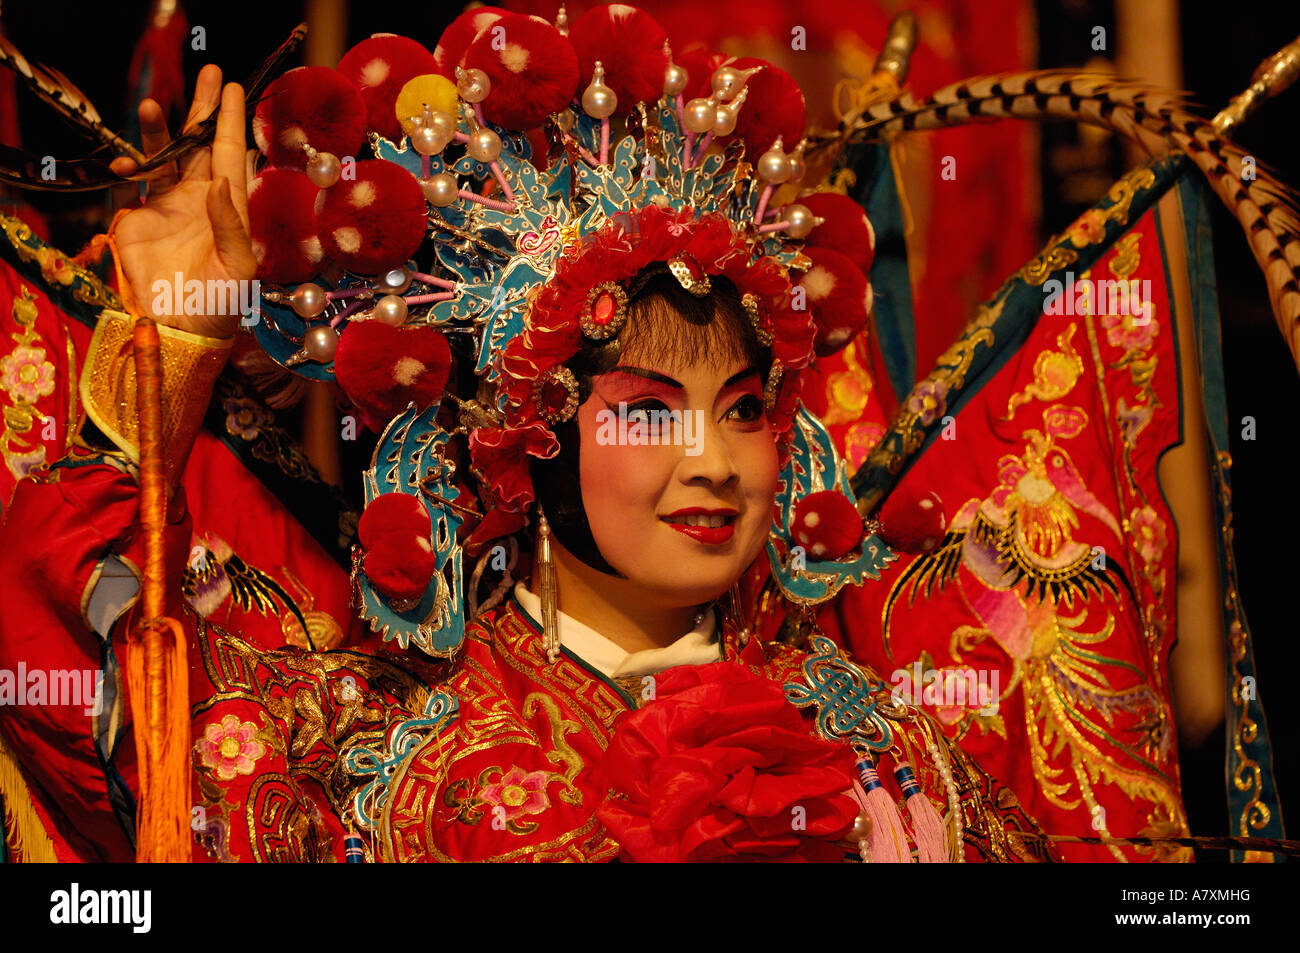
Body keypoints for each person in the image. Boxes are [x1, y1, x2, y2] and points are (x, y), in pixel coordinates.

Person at [0, 5, 1057, 861]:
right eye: (648, 408)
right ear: (521, 436)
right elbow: (95, 667)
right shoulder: (373, 759)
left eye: (742, 408)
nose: (714, 461)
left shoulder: (893, 754)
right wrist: (174, 345)